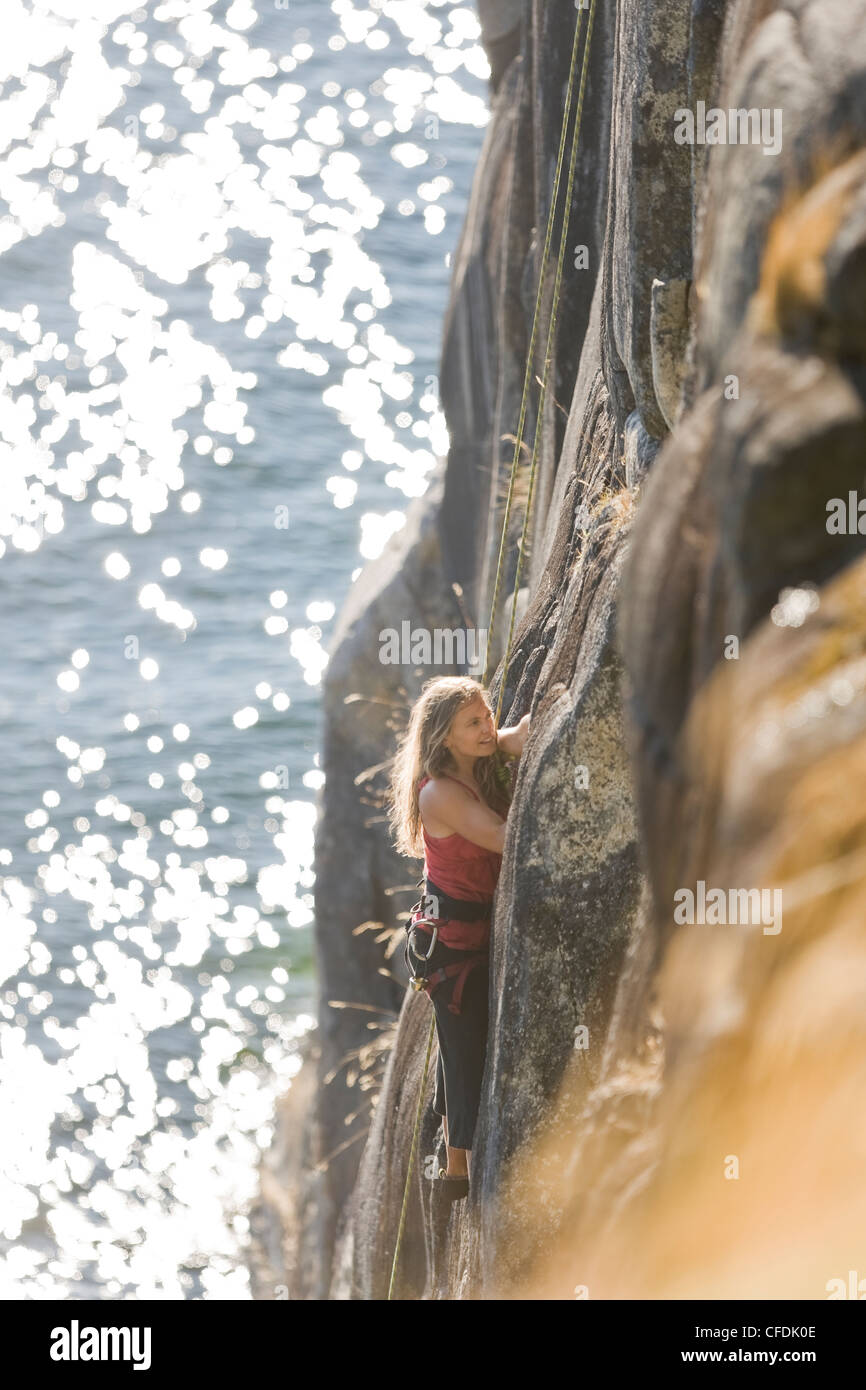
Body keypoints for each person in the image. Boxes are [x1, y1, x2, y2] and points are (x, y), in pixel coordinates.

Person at [387, 675, 529, 1200]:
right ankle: (455, 1175)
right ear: (446, 736)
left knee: (458, 1049)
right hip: (451, 945)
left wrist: (513, 735)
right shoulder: (440, 793)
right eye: (473, 723)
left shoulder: (474, 761)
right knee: (464, 1051)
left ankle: (454, 1167)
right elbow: (500, 836)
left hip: (471, 932)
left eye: (488, 714)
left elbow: (512, 735)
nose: (487, 726)